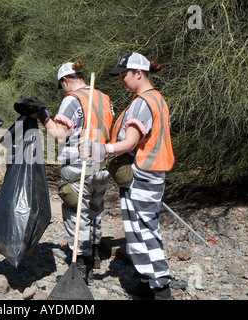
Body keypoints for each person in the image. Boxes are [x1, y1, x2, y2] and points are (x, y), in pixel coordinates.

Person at [90, 52, 175, 299]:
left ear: (139, 73)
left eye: (124, 75)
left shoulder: (142, 102)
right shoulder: (156, 99)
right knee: (141, 229)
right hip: (151, 174)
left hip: (143, 176)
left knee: (143, 231)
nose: (121, 80)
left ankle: (160, 289)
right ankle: (148, 281)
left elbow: (131, 141)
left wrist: (104, 149)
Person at [34, 60, 114, 283]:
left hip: (78, 167)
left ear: (65, 81)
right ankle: (95, 255)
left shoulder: (72, 99)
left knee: (76, 217)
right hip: (101, 166)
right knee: (95, 213)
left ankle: (81, 267)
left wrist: (43, 117)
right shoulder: (103, 97)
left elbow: (59, 136)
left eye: (62, 86)